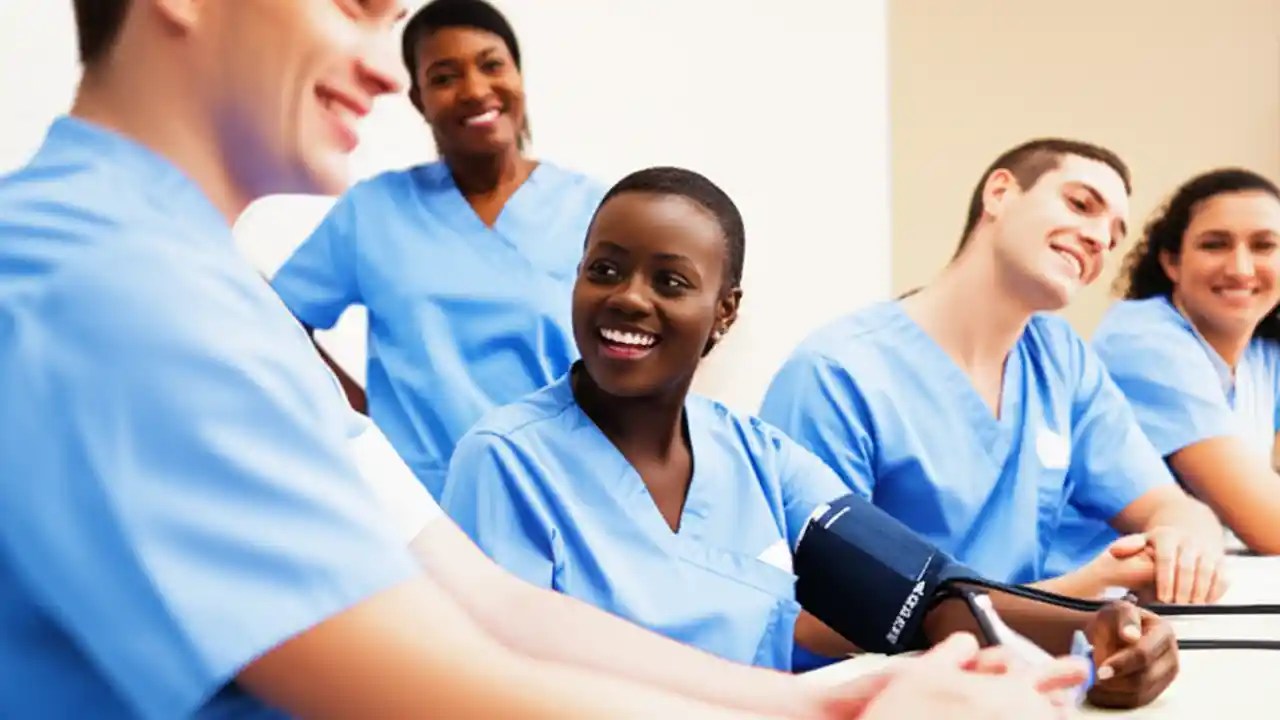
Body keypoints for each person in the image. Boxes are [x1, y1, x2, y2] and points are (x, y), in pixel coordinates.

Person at [0, 2, 1100, 718]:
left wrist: (830, 695)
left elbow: (488, 608)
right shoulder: (103, 285)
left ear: (722, 314)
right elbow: (430, 684)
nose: (388, 72)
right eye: (355, 6)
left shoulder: (213, 296)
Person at [442, 166, 1178, 707]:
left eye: (670, 282)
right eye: (605, 270)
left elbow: (922, 595)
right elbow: (493, 681)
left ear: (724, 313)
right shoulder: (507, 459)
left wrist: (1094, 632)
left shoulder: (755, 456)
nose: (629, 298)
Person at [760, 138, 1227, 605]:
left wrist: (1183, 543)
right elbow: (818, 616)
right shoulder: (838, 373)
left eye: (1114, 236)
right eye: (1081, 205)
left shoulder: (1060, 360)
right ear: (1000, 193)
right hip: (904, 654)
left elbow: (1169, 505)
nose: (1099, 239)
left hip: (1027, 646)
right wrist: (1081, 593)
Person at [271, 0, 604, 498]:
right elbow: (274, 318)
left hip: (559, 495)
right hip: (416, 503)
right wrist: (356, 414)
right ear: (419, 99)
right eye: (445, 77)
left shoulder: (595, 211)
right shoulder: (375, 211)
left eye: (492, 65)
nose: (474, 90)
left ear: (518, 76)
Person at [1086, 168, 1280, 555]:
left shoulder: (1265, 352)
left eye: (1264, 246)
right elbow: (1271, 526)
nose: (1241, 268)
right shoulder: (1140, 341)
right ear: (1172, 262)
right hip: (1090, 575)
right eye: (1215, 245)